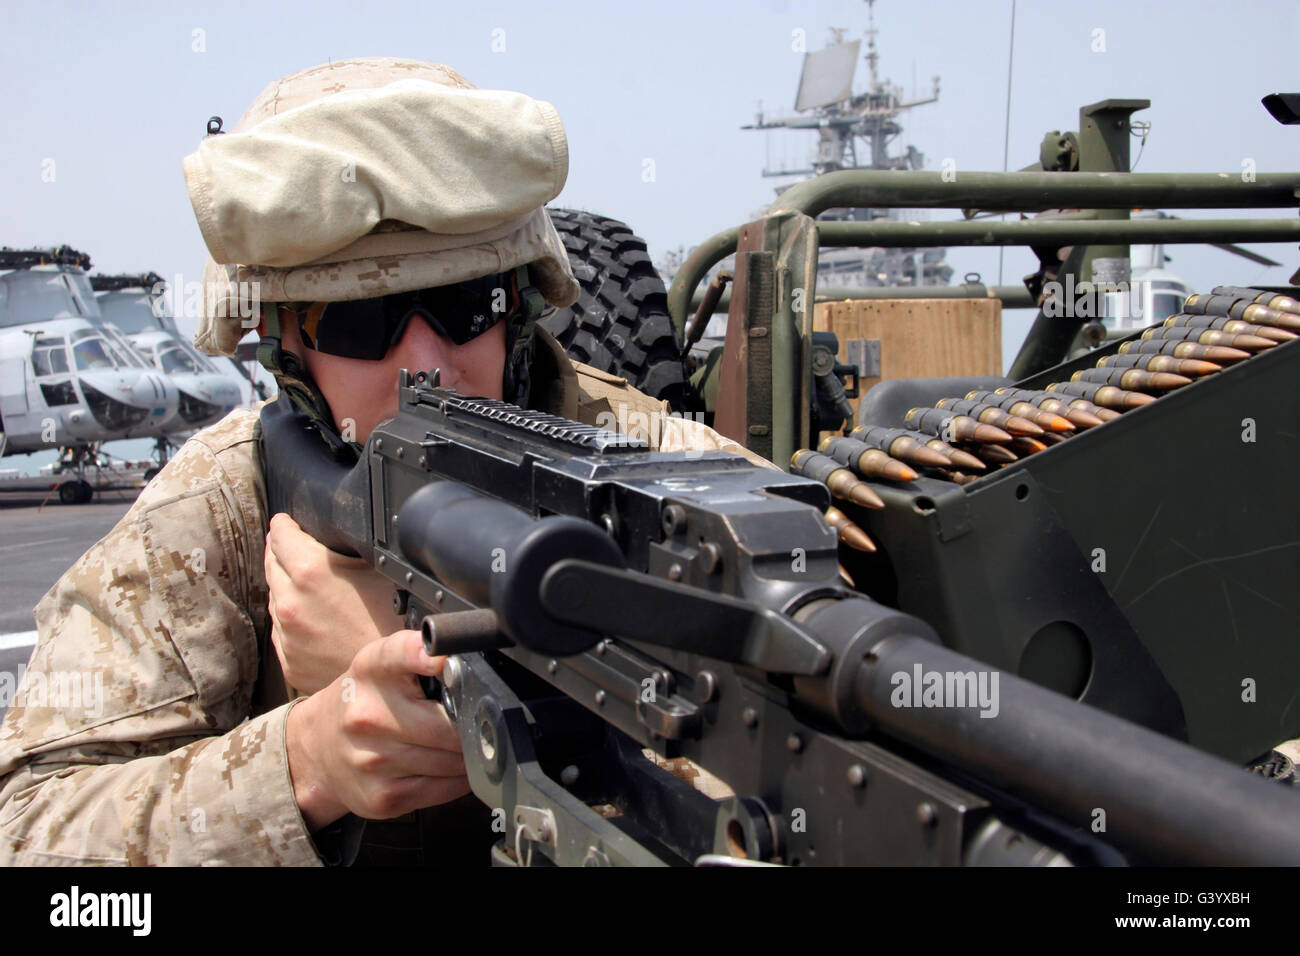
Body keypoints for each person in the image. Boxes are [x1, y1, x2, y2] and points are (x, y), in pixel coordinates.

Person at [0, 58, 763, 866]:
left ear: (522, 307)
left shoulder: (664, 474)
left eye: (470, 305)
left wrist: (482, 673)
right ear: (282, 343)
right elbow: (33, 838)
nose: (424, 362)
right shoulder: (219, 508)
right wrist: (303, 762)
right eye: (361, 321)